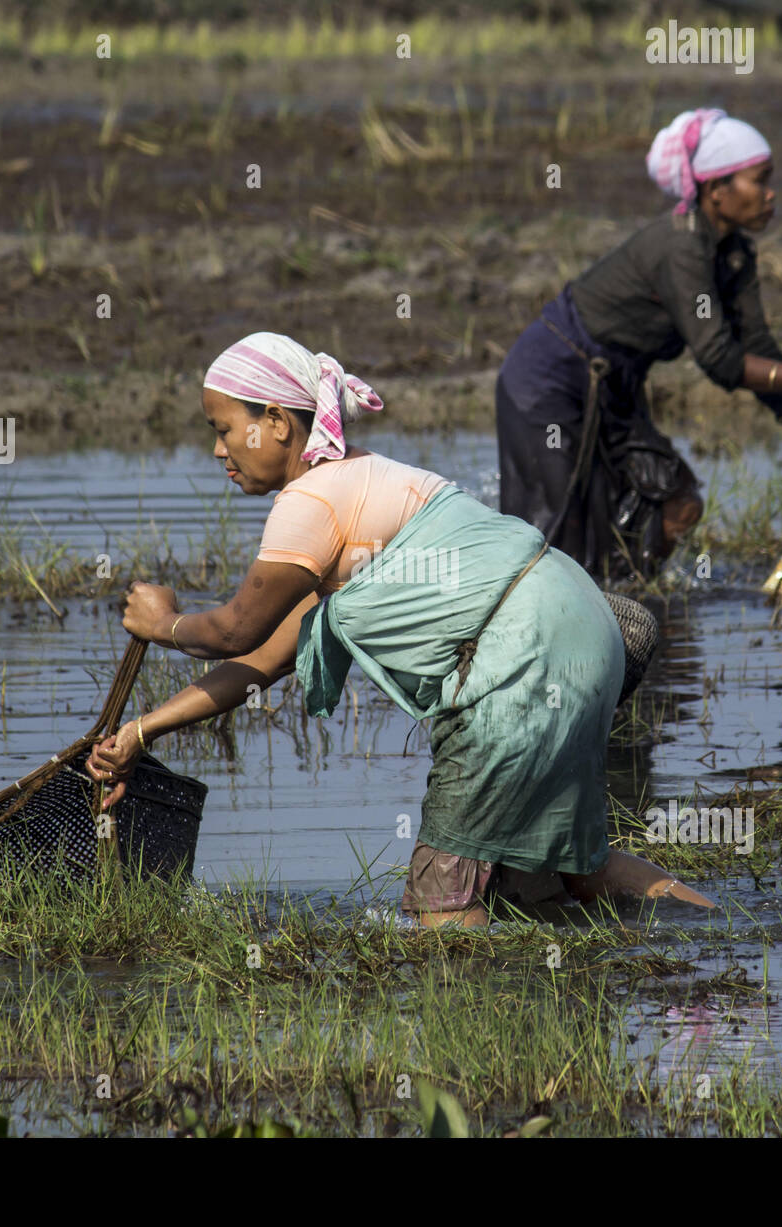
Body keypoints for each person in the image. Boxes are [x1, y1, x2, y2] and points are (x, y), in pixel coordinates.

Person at [85, 331, 712, 926]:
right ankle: (722, 928)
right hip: (591, 631)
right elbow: (267, 658)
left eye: (224, 431)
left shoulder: (311, 502)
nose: (219, 450)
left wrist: (163, 622)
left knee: (439, 909)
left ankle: (475, 1010)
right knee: (565, 874)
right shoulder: (370, 479)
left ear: (276, 422)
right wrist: (143, 731)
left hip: (521, 659)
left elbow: (232, 632)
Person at [496, 107, 782, 582]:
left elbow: (755, 344)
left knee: (677, 503)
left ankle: (623, 609)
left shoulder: (734, 254)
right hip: (549, 382)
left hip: (614, 387)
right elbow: (721, 361)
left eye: (770, 179)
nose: (770, 193)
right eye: (758, 180)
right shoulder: (680, 248)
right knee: (551, 541)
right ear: (715, 190)